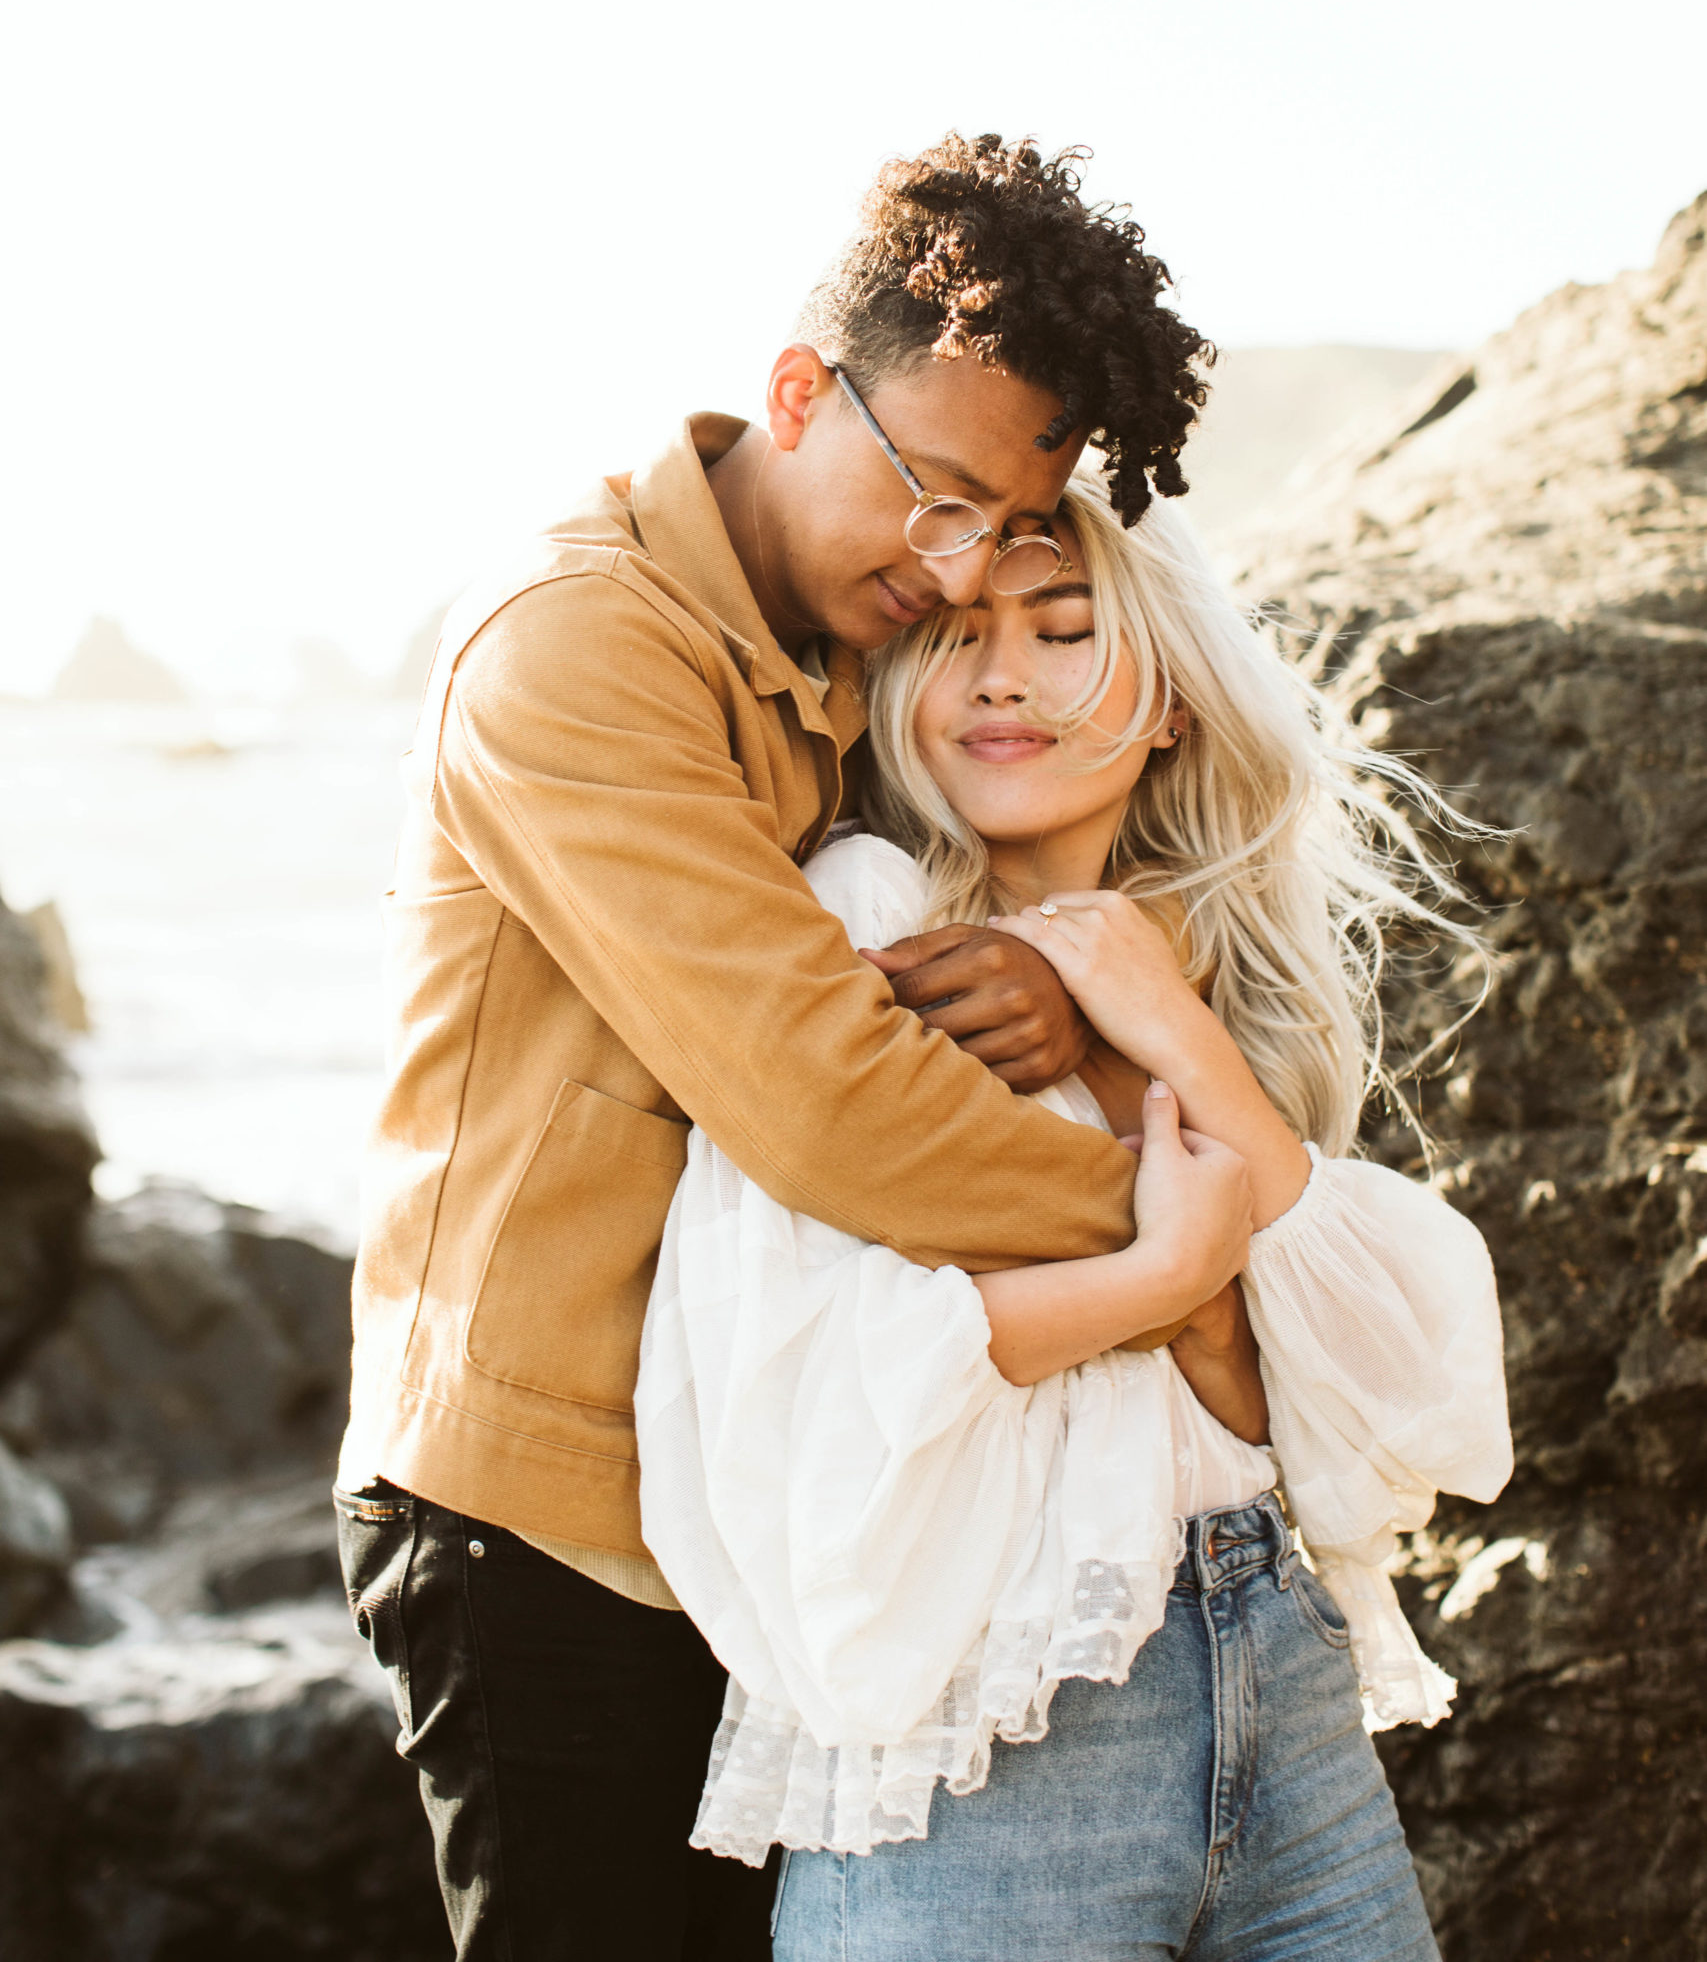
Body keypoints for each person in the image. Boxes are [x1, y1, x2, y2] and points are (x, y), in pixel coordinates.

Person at [334, 133, 1222, 1959]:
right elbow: (834, 1108)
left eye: (1000, 527)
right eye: (936, 497)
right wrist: (1197, 1253)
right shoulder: (576, 650)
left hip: (776, 1507)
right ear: (801, 390)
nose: (954, 570)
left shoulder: (851, 644)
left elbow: (1023, 870)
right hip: (547, 1517)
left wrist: (1061, 984)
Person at [634, 470, 1513, 1959]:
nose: (1001, 677)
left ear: (1170, 699)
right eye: (955, 636)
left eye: (1063, 630)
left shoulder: (1215, 972)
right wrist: (1176, 1280)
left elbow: (1381, 1404)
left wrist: (1162, 1023)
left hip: (1283, 1692)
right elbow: (808, 1375)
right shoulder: (866, 917)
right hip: (990, 1748)